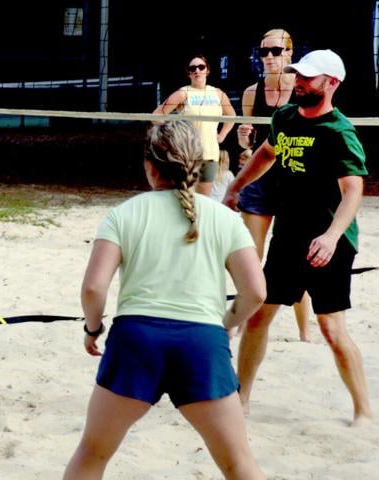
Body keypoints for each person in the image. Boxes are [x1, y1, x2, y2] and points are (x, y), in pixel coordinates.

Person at [61, 120, 270, 480]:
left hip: (136, 339)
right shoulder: (225, 219)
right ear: (198, 165)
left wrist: (93, 329)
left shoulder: (125, 213)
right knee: (238, 462)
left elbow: (94, 287)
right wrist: (227, 324)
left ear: (150, 166)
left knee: (92, 453)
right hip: (202, 343)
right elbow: (255, 291)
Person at [223, 49, 374, 426]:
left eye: (308, 77)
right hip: (289, 237)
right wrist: (236, 186)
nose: (299, 82)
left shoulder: (339, 132)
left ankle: (363, 410)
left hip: (329, 242)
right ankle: (241, 399)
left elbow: (354, 190)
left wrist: (331, 236)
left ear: (331, 83)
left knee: (332, 328)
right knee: (259, 317)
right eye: (298, 76)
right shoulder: (286, 117)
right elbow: (266, 153)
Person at [236, 29, 312, 342]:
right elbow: (248, 146)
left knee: (295, 256)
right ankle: (245, 323)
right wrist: (243, 142)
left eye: (276, 51)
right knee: (252, 255)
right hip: (259, 179)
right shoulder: (252, 93)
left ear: (290, 53)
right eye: (264, 51)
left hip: (295, 179)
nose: (269, 57)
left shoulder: (304, 89)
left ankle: (304, 332)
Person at [153, 55, 236, 196]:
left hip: (210, 154)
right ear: (189, 73)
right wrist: (174, 135)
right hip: (187, 155)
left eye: (201, 67)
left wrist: (222, 135)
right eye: (193, 68)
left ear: (207, 70)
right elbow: (156, 116)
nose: (197, 70)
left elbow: (232, 116)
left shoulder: (217, 93)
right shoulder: (183, 93)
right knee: (185, 197)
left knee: (204, 200)